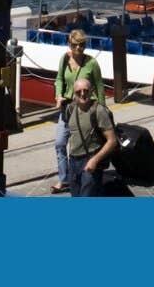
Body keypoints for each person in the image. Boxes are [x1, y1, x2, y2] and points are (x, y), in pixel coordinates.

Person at [49, 30, 104, 194]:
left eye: (82, 44)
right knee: (60, 143)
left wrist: (102, 110)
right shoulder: (64, 59)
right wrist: (58, 95)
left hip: (85, 109)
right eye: (75, 44)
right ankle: (64, 178)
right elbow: (59, 79)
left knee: (81, 146)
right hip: (67, 108)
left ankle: (84, 175)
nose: (79, 48)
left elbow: (99, 87)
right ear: (69, 45)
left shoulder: (91, 63)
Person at [63, 76, 117, 196]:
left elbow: (112, 141)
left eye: (86, 90)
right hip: (73, 161)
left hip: (90, 161)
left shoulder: (98, 111)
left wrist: (94, 160)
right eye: (78, 92)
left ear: (91, 91)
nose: (83, 94)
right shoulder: (70, 109)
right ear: (74, 93)